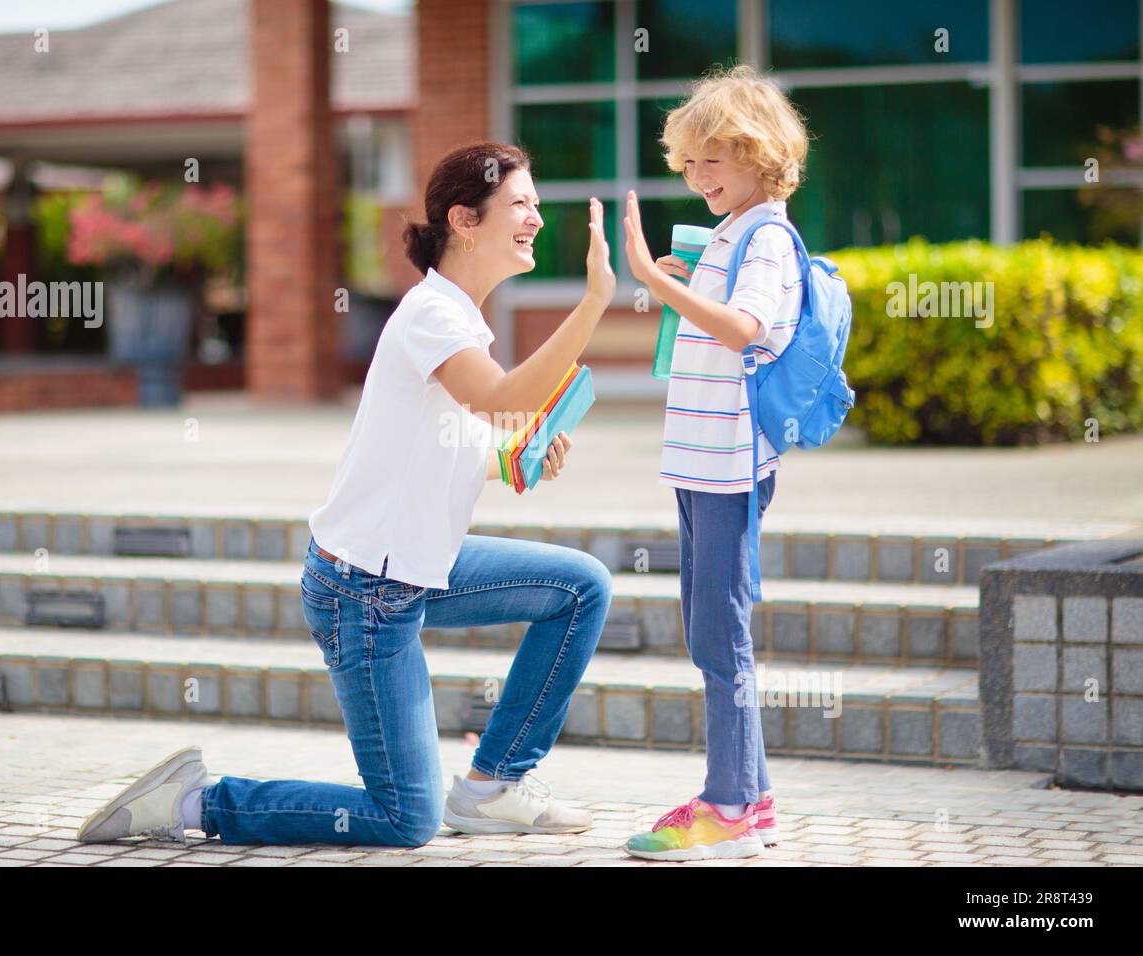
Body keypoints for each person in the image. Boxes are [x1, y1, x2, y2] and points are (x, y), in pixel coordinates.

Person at [77, 141, 617, 848]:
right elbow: (503, 396)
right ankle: (195, 802)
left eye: (538, 206)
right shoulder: (433, 315)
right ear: (463, 218)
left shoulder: (456, 322)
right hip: (363, 593)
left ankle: (494, 786)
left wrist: (516, 459)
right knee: (405, 819)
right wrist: (596, 302)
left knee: (580, 587)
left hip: (418, 568)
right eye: (521, 203)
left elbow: (452, 441)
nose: (537, 219)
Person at [619, 64, 809, 860]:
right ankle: (748, 798)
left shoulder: (766, 235)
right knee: (709, 631)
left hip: (729, 466)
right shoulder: (736, 234)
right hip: (702, 464)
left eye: (712, 160)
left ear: (759, 156)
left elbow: (745, 326)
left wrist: (656, 284)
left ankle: (728, 801)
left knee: (720, 637)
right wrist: (681, 278)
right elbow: (719, 314)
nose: (697, 177)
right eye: (689, 163)